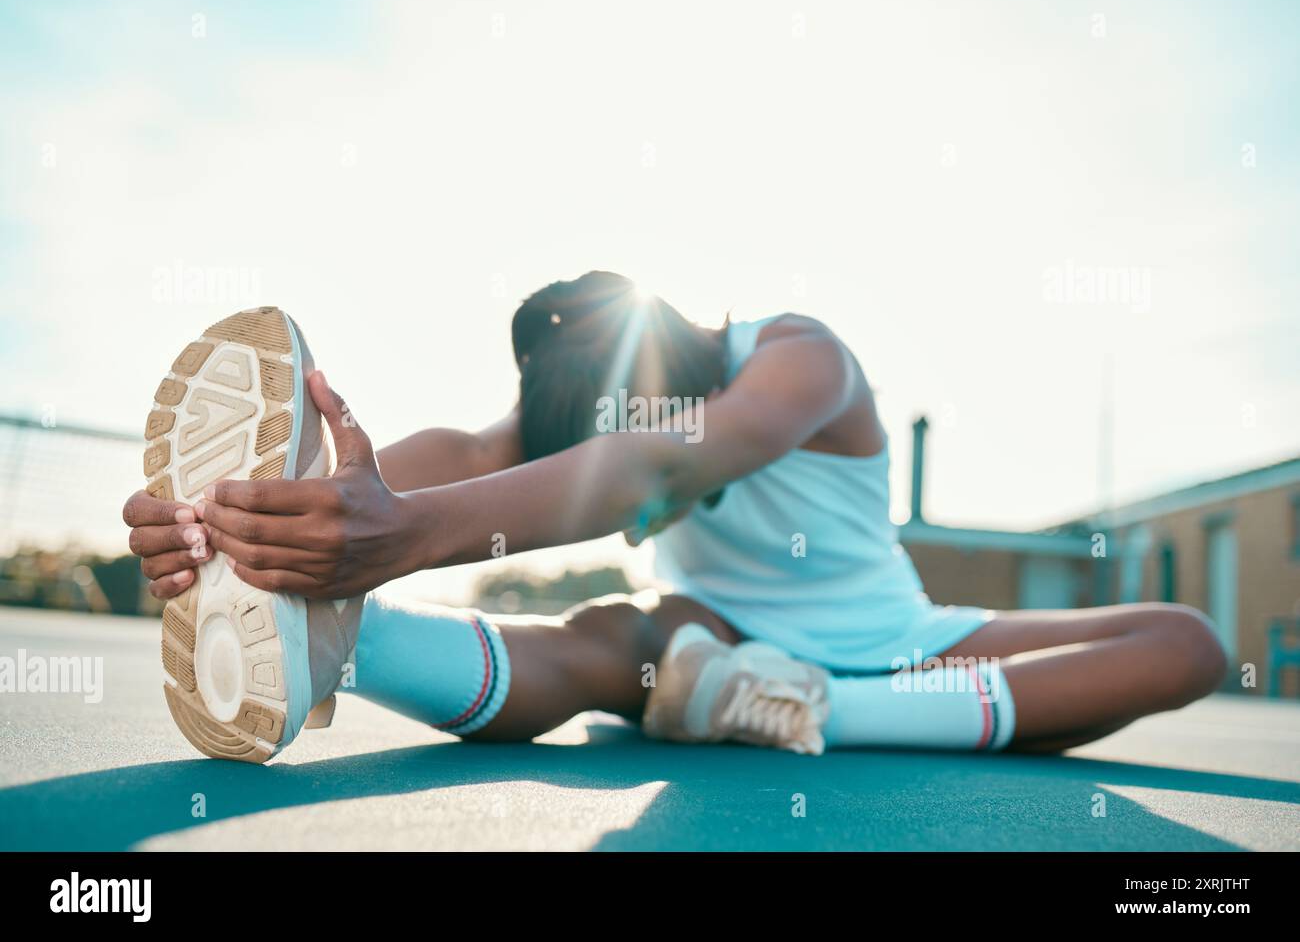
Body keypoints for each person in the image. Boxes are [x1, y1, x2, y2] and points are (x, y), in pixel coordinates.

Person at [123, 272, 1226, 763]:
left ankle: (818, 710)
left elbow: (654, 461)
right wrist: (271, 526)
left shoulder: (800, 360)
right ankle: (341, 646)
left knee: (1184, 642)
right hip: (707, 641)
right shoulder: (574, 402)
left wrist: (406, 536)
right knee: (616, 639)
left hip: (906, 646)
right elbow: (462, 457)